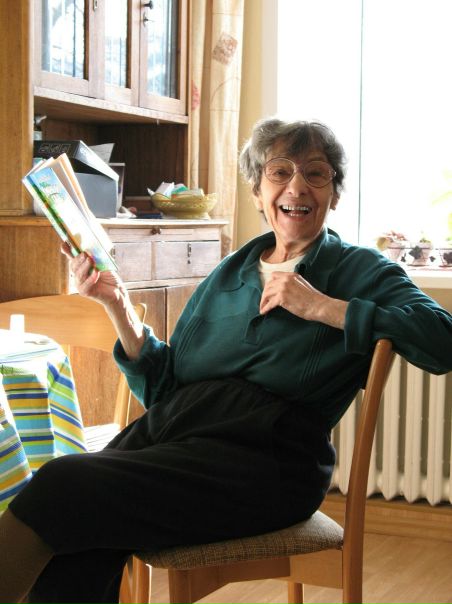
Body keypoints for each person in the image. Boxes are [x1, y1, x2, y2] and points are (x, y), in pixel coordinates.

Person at [1, 117, 452, 604]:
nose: (297, 186)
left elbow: (442, 340)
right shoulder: (227, 273)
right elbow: (165, 393)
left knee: (61, 486)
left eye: (316, 173)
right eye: (279, 172)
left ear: (335, 193)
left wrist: (324, 307)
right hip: (176, 439)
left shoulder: (361, 270)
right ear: (258, 192)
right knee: (78, 534)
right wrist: (118, 305)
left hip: (269, 461)